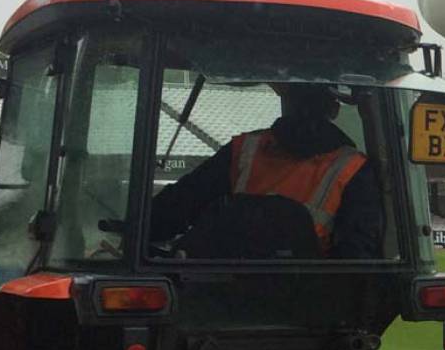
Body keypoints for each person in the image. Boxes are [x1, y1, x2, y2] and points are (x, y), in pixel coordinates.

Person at [150, 83, 382, 258]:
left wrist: (136, 234)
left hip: (222, 288)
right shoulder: (355, 170)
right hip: (311, 301)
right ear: (334, 109)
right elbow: (358, 255)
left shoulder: (244, 150)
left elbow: (177, 206)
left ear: (285, 102)